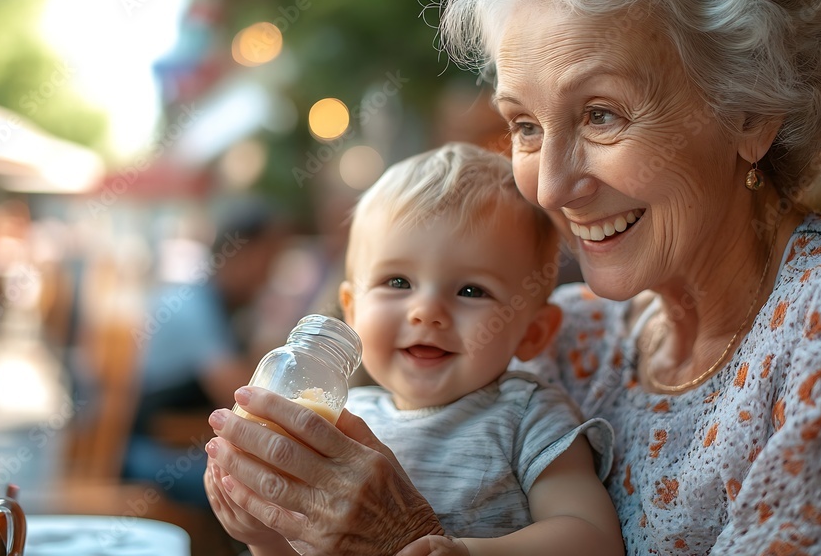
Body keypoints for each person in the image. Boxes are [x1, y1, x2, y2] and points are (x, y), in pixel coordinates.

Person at [202, 0, 821, 554]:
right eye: (527, 127)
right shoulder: (576, 339)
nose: (551, 186)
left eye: (602, 115)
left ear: (750, 113)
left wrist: (407, 544)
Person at [209, 143, 623, 555]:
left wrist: (466, 552)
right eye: (398, 283)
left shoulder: (530, 418)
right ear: (351, 311)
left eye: (470, 290)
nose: (426, 312)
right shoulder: (340, 421)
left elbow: (593, 538)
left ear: (533, 332)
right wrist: (265, 535)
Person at [124, 195, 287, 507]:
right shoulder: (193, 309)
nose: (271, 276)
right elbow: (245, 398)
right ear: (239, 254)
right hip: (143, 455)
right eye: (269, 259)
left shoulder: (216, 306)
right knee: (262, 490)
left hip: (172, 445)